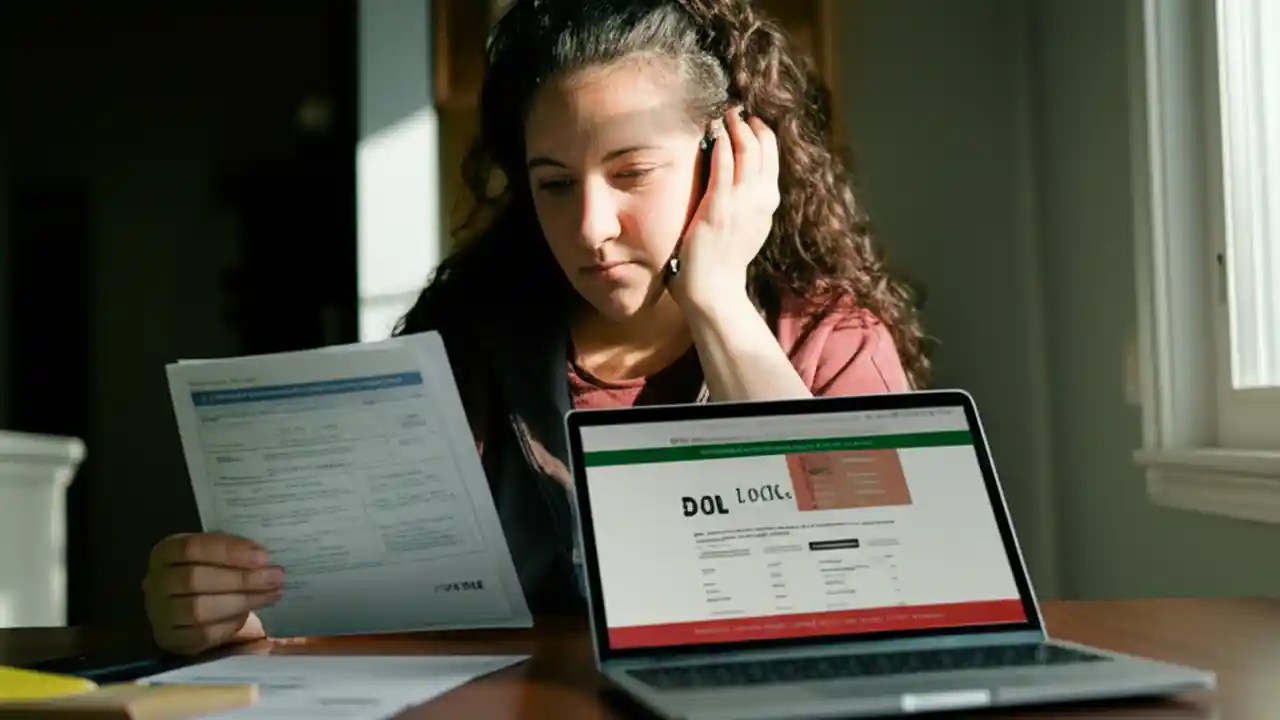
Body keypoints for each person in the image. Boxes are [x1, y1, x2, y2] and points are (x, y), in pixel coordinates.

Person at [142, 0, 931, 655]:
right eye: (554, 184)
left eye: (631, 173)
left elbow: (875, 583)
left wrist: (718, 301)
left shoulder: (830, 342)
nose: (590, 227)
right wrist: (239, 610)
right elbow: (351, 609)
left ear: (732, 160)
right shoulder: (469, 350)